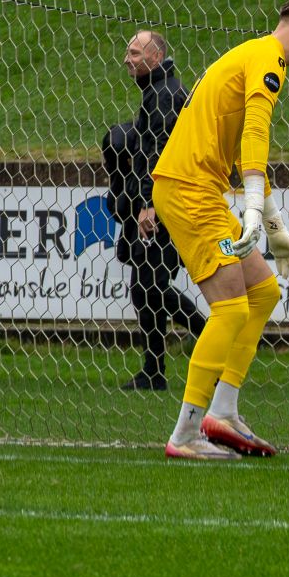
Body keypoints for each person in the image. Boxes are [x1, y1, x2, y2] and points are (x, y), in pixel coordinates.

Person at [151, 0, 289, 460]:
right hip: (190, 190)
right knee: (229, 308)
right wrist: (251, 210)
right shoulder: (269, 61)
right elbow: (255, 133)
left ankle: (223, 412)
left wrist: (272, 227)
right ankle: (185, 434)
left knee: (264, 291)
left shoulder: (250, 53)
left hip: (200, 188)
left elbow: (242, 148)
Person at [104, 29, 207, 391]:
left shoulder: (164, 95)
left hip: (165, 206)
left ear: (156, 56)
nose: (126, 59)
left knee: (153, 285)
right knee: (142, 288)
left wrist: (148, 204)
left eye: (134, 52)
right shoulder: (158, 92)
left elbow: (158, 153)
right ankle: (154, 371)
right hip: (160, 203)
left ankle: (210, 338)